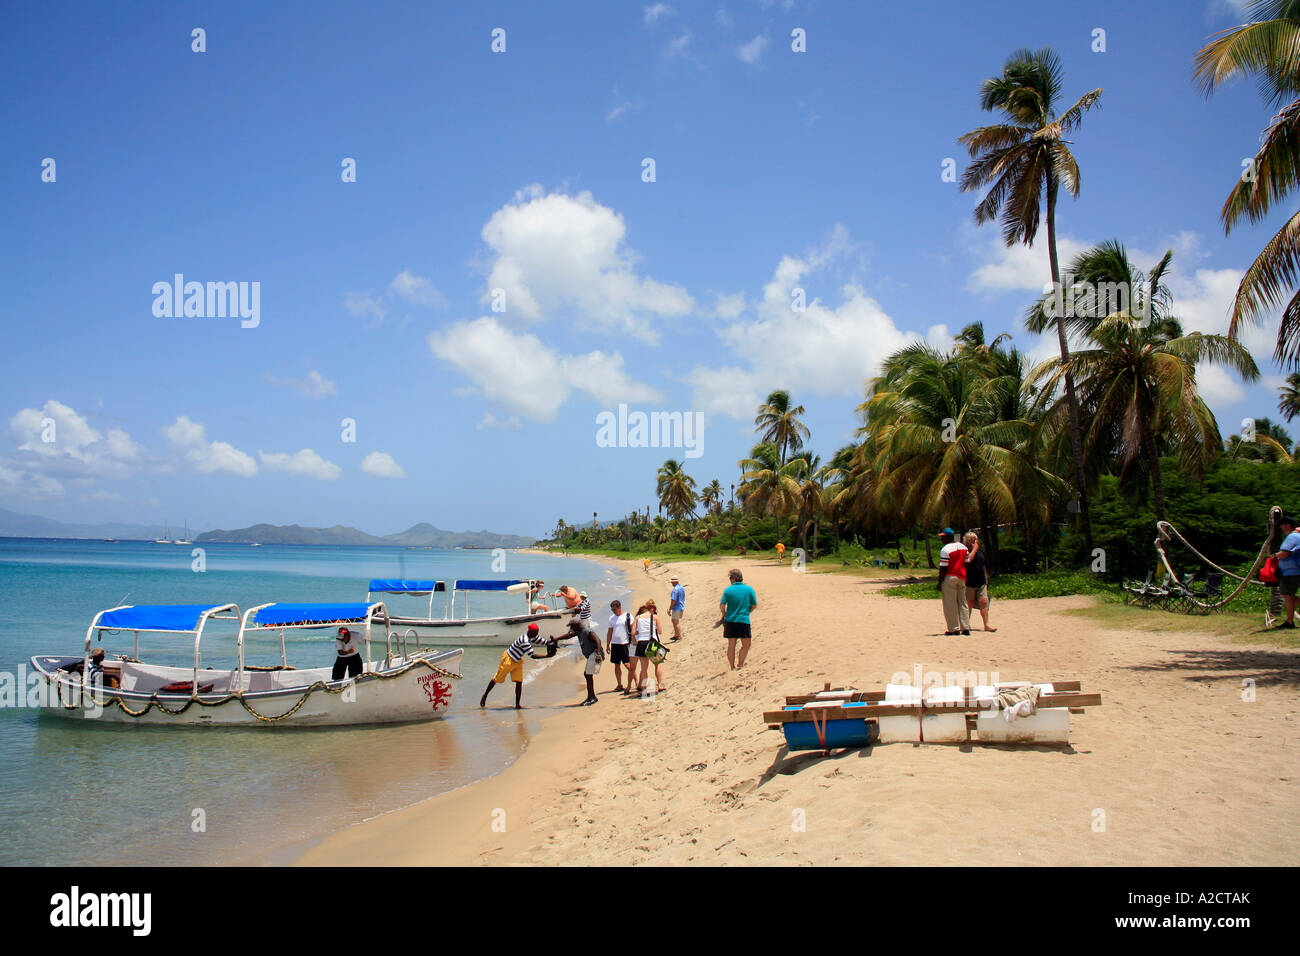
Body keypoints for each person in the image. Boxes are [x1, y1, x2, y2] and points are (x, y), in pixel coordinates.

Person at [480, 622, 545, 709]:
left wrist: (552, 642)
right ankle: (485, 695)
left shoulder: (532, 636)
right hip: (509, 659)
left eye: (537, 632)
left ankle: (517, 705)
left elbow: (541, 641)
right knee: (496, 678)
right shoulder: (524, 640)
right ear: (530, 632)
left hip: (517, 660)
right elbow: (532, 655)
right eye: (536, 632)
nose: (537, 634)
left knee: (519, 682)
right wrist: (547, 655)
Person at [717, 568, 757, 670]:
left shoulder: (728, 590)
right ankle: (740, 664)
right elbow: (754, 605)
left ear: (734, 579)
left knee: (731, 645)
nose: (730, 580)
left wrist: (724, 614)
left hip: (730, 620)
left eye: (730, 578)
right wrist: (747, 612)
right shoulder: (749, 589)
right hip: (743, 620)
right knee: (746, 644)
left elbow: (722, 605)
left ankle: (732, 667)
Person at [937, 528, 971, 635]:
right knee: (963, 602)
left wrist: (940, 582)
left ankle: (954, 628)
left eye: (943, 537)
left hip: (950, 576)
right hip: (962, 577)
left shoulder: (945, 549)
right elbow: (967, 563)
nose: (942, 539)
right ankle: (965, 627)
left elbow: (943, 568)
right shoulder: (963, 547)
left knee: (950, 603)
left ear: (948, 537)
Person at [563, 616, 604, 705]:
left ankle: (590, 698)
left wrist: (598, 654)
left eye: (572, 626)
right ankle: (592, 697)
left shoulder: (587, 631)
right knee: (588, 675)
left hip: (596, 654)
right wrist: (556, 639)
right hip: (592, 655)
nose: (571, 628)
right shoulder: (579, 631)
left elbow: (598, 640)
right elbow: (568, 635)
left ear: (577, 625)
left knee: (587, 674)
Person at [631, 599, 666, 693]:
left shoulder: (638, 618)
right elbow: (660, 631)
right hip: (652, 642)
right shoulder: (655, 617)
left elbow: (633, 632)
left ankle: (644, 688)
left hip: (642, 642)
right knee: (657, 664)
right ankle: (660, 685)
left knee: (644, 668)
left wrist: (635, 640)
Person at [964, 532, 996, 632]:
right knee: (969, 603)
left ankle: (986, 624)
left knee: (984, 602)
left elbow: (983, 565)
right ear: (967, 541)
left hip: (981, 581)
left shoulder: (980, 551)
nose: (974, 541)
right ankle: (966, 624)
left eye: (975, 539)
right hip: (969, 582)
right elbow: (969, 560)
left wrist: (986, 579)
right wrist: (974, 549)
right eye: (972, 539)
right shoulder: (966, 551)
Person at [1275, 516, 1300, 628]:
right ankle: (1289, 621)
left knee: (1288, 595)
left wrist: (1273, 556)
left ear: (1287, 525)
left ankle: (1289, 622)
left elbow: (1285, 553)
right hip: (1294, 570)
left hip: (1291, 572)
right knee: (1288, 596)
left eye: (1282, 525)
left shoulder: (1292, 537)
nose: (1281, 528)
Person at [606, 599, 636, 691]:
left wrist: (635, 641)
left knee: (628, 665)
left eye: (615, 609)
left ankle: (637, 681)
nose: (614, 611)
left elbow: (633, 629)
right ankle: (619, 684)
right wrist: (607, 644)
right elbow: (610, 632)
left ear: (619, 607)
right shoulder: (612, 618)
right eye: (612, 610)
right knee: (616, 665)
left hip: (625, 643)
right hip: (615, 644)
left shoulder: (628, 616)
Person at [668, 575, 686, 641]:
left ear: (675, 582)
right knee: (675, 621)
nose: (671, 583)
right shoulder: (681, 588)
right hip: (681, 606)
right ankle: (676, 635)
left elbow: (673, 600)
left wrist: (669, 609)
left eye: (672, 582)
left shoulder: (675, 590)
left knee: (675, 622)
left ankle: (678, 636)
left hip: (677, 607)